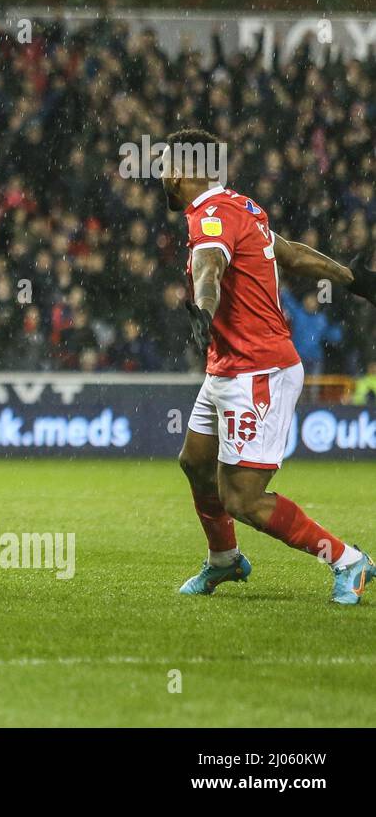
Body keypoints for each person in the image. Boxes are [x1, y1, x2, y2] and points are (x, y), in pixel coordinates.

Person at [162, 128, 376, 605]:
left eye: (163, 166)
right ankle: (224, 560)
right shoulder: (244, 207)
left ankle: (346, 559)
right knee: (195, 462)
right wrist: (356, 279)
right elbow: (292, 254)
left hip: (258, 371)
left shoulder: (210, 219)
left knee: (243, 499)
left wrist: (202, 309)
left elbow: (208, 269)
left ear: (179, 173)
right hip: (227, 367)